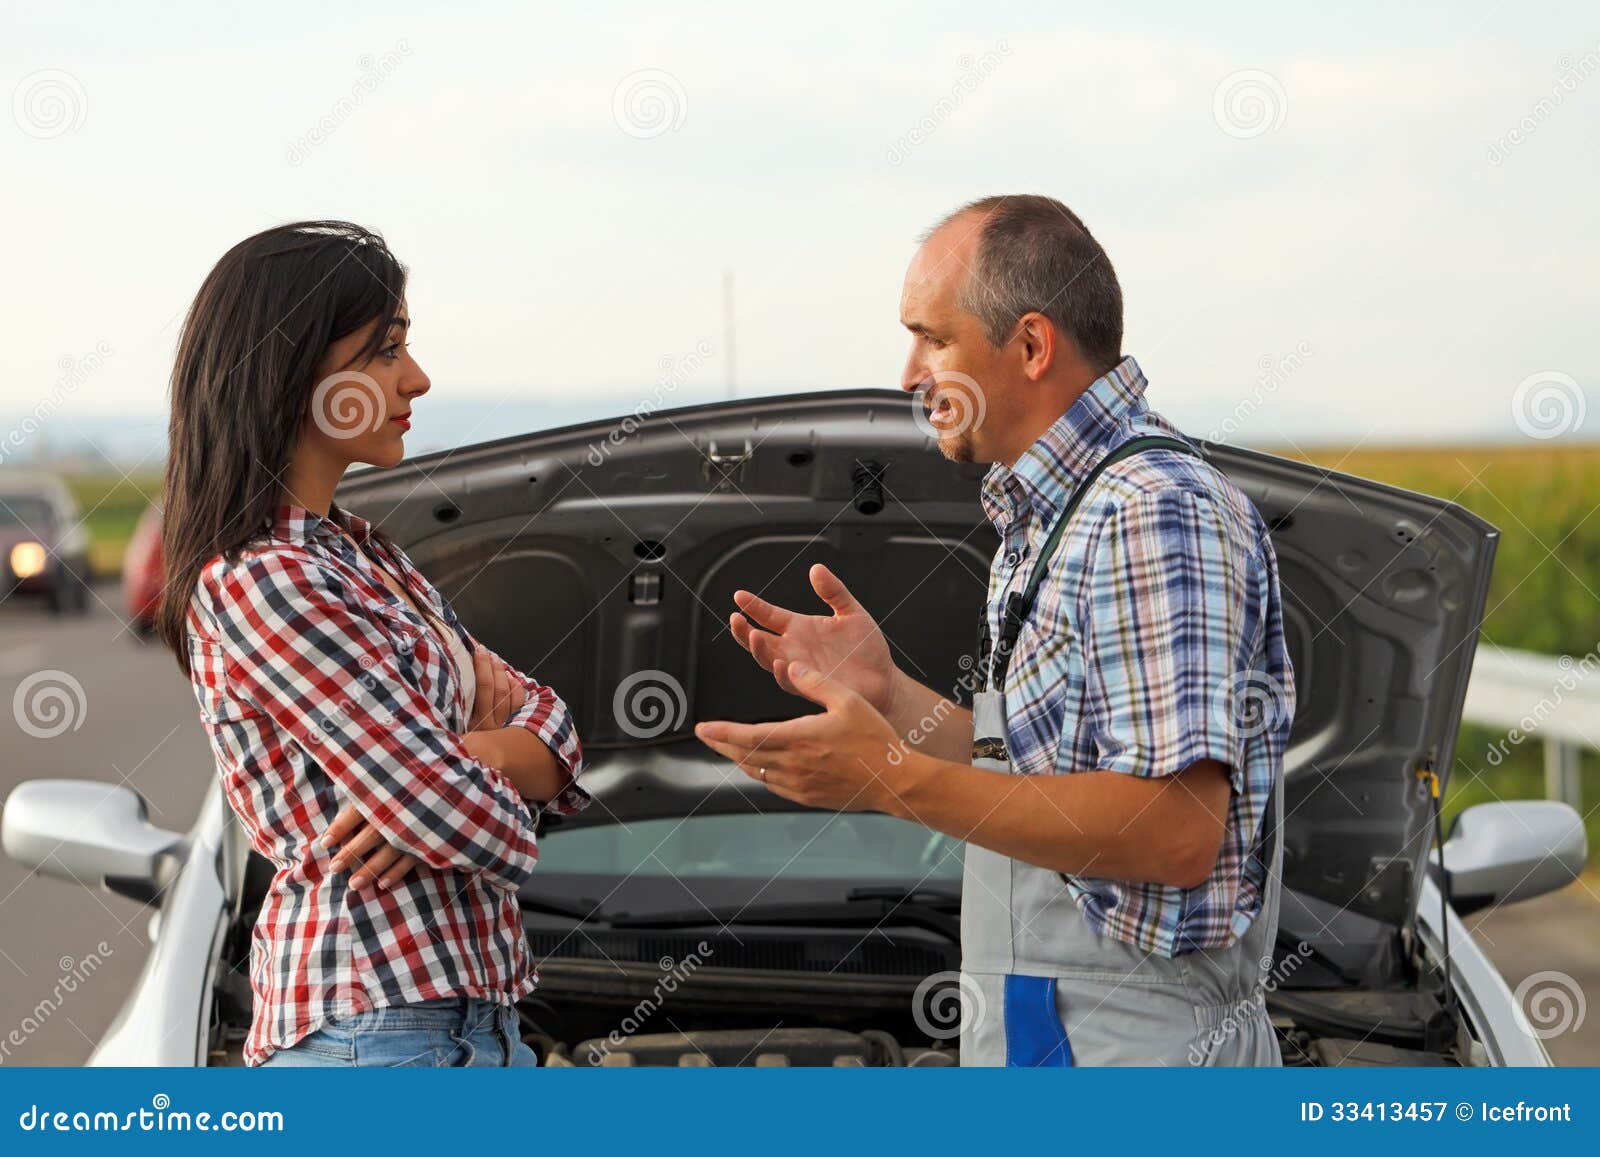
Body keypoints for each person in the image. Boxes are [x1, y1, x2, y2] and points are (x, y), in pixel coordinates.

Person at [695, 194, 1295, 1066]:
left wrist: (890, 779)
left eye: (933, 336)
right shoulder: (1058, 514)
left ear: (1031, 345)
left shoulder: (1151, 512)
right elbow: (1041, 783)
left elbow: (1175, 832)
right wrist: (890, 696)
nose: (909, 373)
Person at [158, 221, 586, 1067]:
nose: (417, 377)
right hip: (370, 1033)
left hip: (470, 1023)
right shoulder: (266, 580)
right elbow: (464, 819)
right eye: (386, 350)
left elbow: (560, 732)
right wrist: (440, 784)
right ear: (294, 370)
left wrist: (452, 763)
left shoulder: (365, 556)